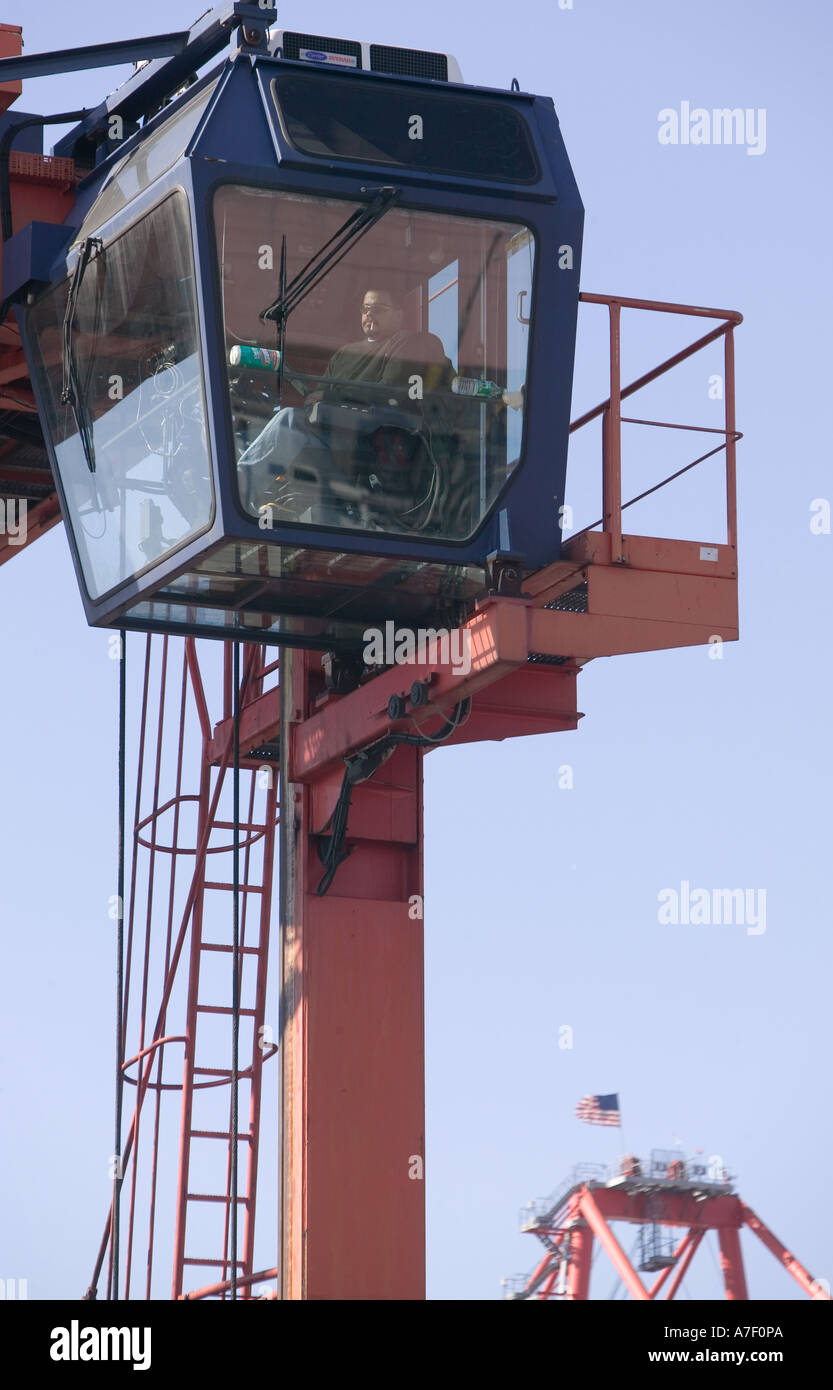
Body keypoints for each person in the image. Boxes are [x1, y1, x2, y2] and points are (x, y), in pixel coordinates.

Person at [237, 287, 458, 531]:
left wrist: (333, 396)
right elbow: (315, 401)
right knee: (261, 431)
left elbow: (391, 393)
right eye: (365, 309)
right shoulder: (344, 355)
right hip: (334, 448)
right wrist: (321, 400)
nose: (369, 314)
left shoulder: (411, 343)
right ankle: (264, 504)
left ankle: (236, 486)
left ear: (398, 315)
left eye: (378, 309)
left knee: (289, 422)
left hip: (372, 454)